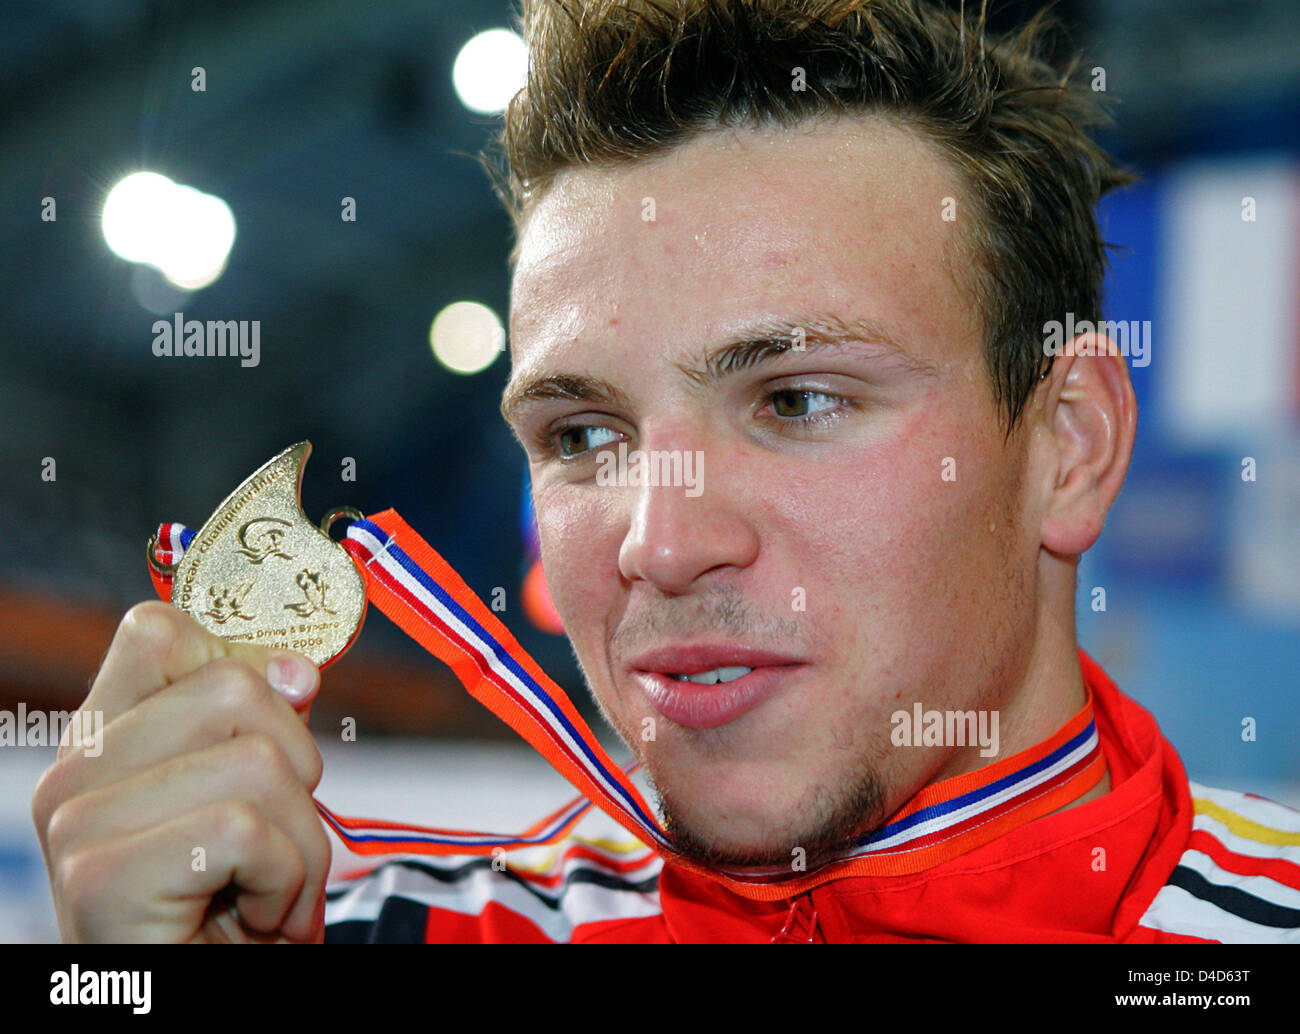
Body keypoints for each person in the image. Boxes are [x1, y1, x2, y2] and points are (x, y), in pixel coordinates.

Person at [33, 0, 1300, 944]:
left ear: (1068, 445)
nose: (658, 540)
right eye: (583, 435)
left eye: (798, 398)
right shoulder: (342, 928)